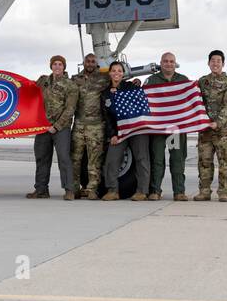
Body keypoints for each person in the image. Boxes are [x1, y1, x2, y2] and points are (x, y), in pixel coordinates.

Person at [29, 55, 78, 200]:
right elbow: (28, 91)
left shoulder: (71, 85)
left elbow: (70, 109)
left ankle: (69, 190)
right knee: (42, 158)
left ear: (64, 67)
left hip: (61, 128)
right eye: (55, 64)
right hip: (43, 127)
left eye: (60, 64)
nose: (57, 67)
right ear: (51, 66)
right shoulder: (43, 81)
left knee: (64, 157)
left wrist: (56, 126)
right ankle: (41, 189)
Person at [101, 61, 151, 202]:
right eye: (114, 70)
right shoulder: (105, 93)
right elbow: (107, 116)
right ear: (109, 73)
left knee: (142, 158)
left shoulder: (131, 86)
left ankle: (142, 191)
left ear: (123, 73)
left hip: (136, 128)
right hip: (119, 131)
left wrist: (138, 82)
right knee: (112, 159)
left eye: (119, 71)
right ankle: (112, 190)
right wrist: (112, 134)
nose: (116, 73)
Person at [146, 51, 191, 201]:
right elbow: (144, 100)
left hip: (175, 128)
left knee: (177, 159)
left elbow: (189, 101)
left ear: (175, 63)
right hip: (158, 127)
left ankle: (179, 191)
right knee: (157, 159)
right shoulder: (151, 80)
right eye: (165, 61)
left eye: (171, 61)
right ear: (161, 63)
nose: (168, 64)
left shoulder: (183, 80)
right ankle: (155, 191)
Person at [194, 50, 227, 201]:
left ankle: (224, 192)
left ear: (223, 64)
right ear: (208, 63)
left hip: (221, 131)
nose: (215, 63)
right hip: (205, 131)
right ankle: (204, 191)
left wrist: (217, 123)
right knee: (204, 162)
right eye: (213, 60)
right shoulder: (202, 81)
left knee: (224, 163)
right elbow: (194, 100)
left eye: (218, 61)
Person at [70, 53, 110, 199]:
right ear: (84, 62)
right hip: (79, 124)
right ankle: (73, 189)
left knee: (94, 160)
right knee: (75, 158)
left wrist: (136, 81)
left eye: (93, 61)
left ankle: (92, 189)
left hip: (96, 125)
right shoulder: (75, 79)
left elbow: (119, 82)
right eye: (88, 61)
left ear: (96, 63)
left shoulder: (104, 78)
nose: (90, 63)